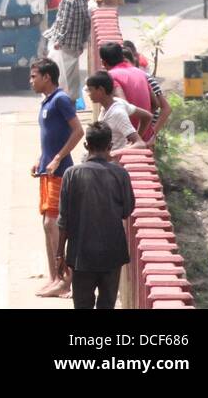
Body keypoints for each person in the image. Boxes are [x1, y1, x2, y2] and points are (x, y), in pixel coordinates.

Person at [56, 121, 136, 309]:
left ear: (86, 145)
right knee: (107, 304)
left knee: (82, 305)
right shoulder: (121, 174)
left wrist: (59, 254)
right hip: (112, 254)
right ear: (110, 146)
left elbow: (64, 220)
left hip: (81, 255)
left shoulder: (71, 174)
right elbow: (127, 211)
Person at [30, 57, 83, 298]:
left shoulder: (60, 100)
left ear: (47, 77)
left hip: (59, 172)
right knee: (46, 225)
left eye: (34, 76)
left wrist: (58, 158)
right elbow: (51, 137)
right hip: (46, 171)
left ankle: (64, 281)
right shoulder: (46, 102)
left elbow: (77, 131)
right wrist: (41, 158)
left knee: (55, 226)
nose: (31, 81)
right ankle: (54, 278)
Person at [46, 0, 92, 107]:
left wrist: (58, 40)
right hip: (75, 46)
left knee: (59, 79)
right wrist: (83, 42)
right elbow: (86, 22)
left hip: (64, 45)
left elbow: (64, 21)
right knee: (72, 81)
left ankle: (60, 108)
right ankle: (71, 108)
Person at [82, 72, 151, 152]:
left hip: (110, 162)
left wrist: (114, 154)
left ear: (101, 90)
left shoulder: (117, 113)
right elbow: (147, 116)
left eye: (90, 90)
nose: (89, 94)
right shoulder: (117, 102)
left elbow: (140, 144)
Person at [98, 42, 154, 138]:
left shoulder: (110, 76)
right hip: (146, 135)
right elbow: (156, 104)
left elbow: (123, 104)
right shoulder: (140, 73)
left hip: (127, 138)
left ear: (103, 63)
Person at [122, 39, 171, 141]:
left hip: (144, 136)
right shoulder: (124, 80)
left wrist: (152, 134)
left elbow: (165, 108)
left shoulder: (146, 78)